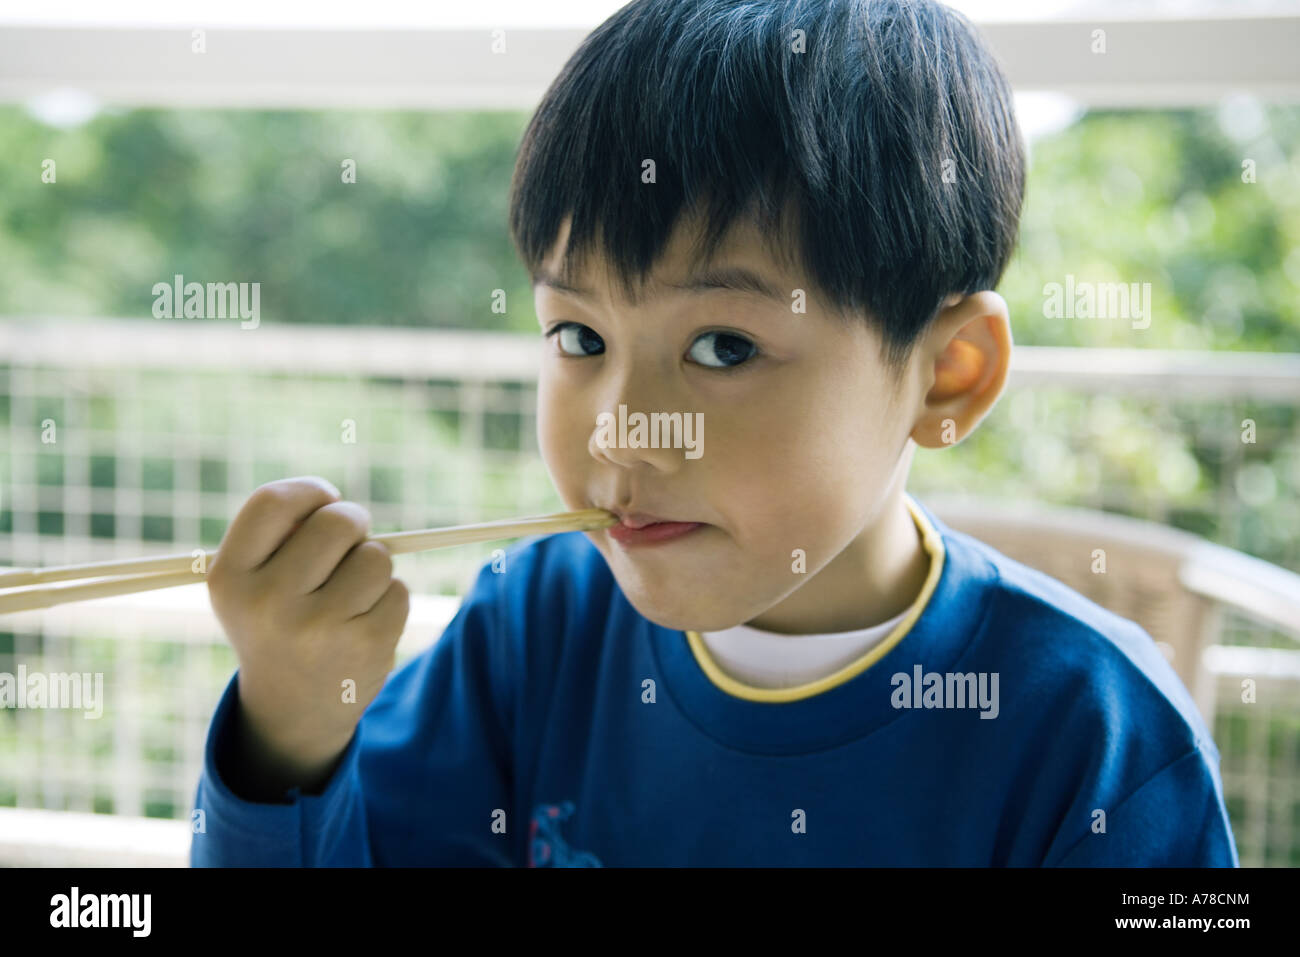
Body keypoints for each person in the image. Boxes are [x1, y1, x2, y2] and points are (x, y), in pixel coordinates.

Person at [191, 0, 1238, 866]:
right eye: (578, 335)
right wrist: (288, 724)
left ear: (945, 374)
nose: (621, 436)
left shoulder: (1097, 732)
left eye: (724, 348)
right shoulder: (533, 628)